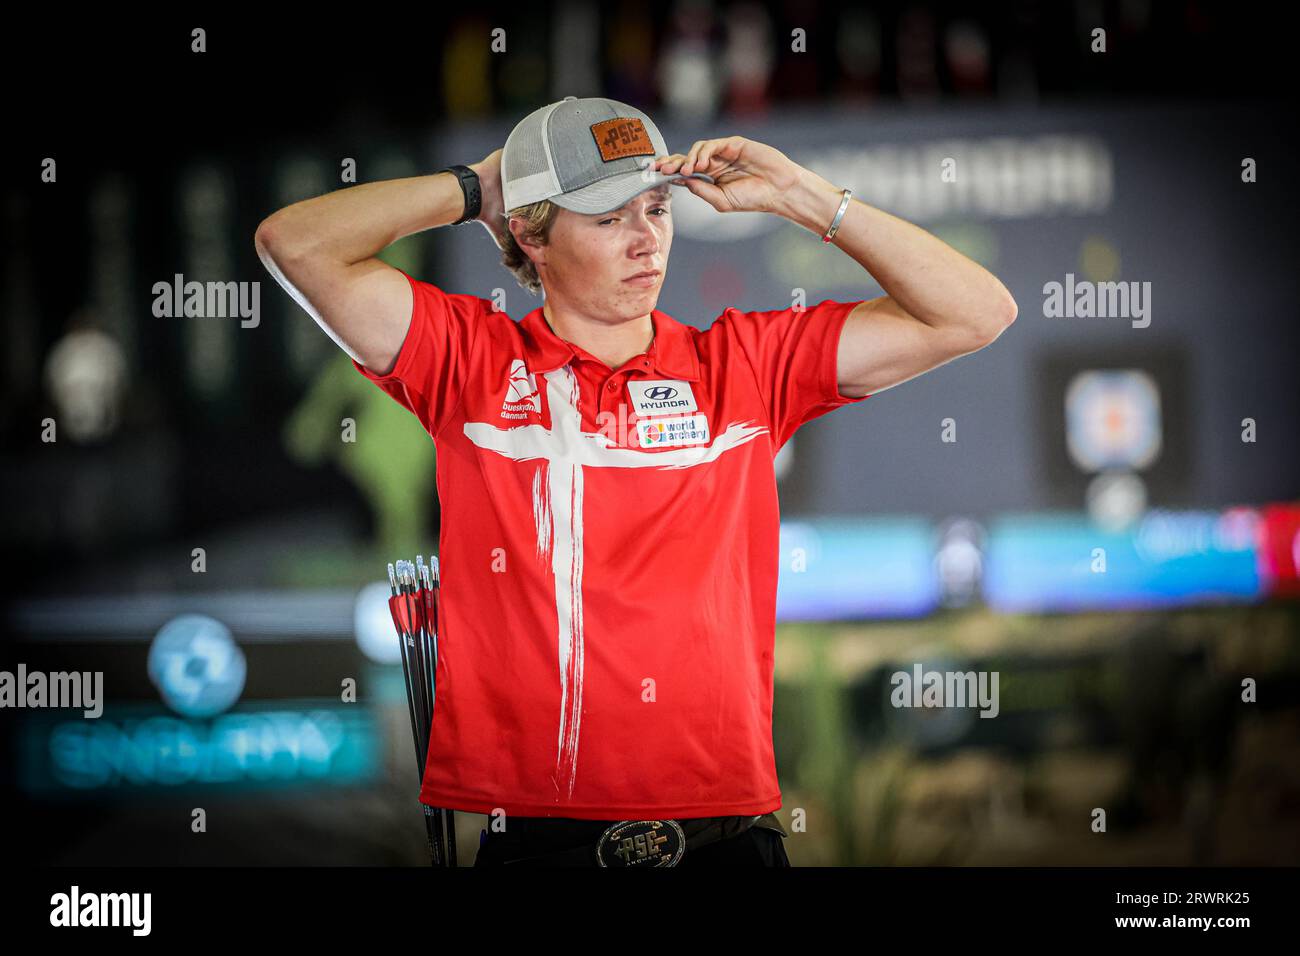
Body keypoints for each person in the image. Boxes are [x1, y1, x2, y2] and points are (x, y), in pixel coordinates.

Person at [254, 96, 1016, 867]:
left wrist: (802, 197)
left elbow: (975, 312)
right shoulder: (467, 362)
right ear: (531, 233)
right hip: (537, 847)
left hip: (728, 844)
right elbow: (294, 243)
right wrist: (479, 189)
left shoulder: (746, 366)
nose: (646, 238)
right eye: (609, 216)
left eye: (656, 208)